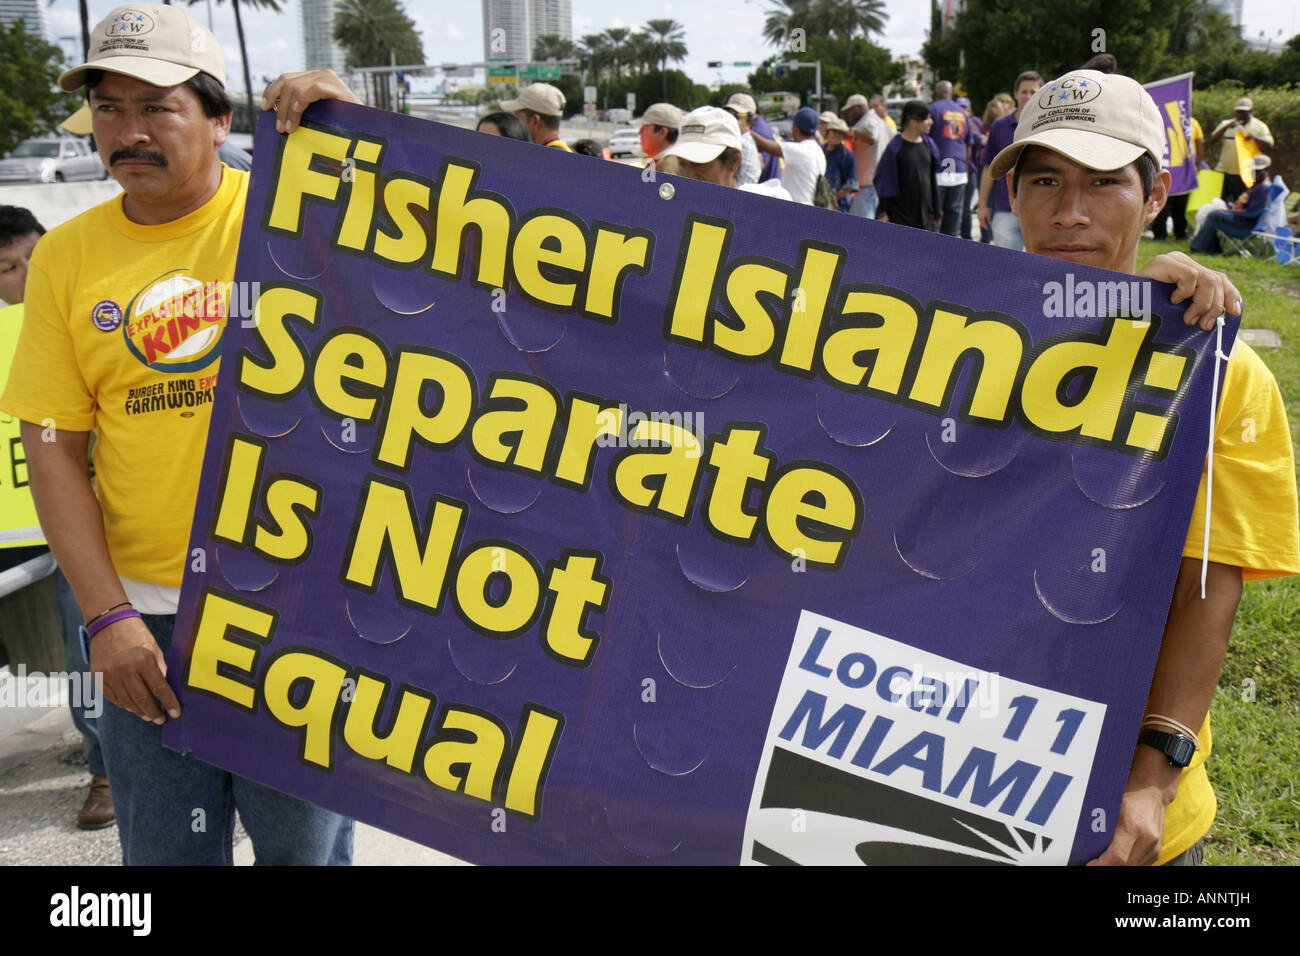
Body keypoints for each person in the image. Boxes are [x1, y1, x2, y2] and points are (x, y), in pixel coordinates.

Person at [0, 3, 359, 865]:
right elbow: (53, 444)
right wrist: (106, 615)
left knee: (305, 855)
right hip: (145, 626)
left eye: (156, 107)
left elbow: (463, 265)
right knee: (163, 860)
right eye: (109, 110)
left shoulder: (303, 217)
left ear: (220, 117)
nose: (128, 133)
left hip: (298, 611)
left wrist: (358, 134)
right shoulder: (68, 256)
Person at [988, 68, 1299, 866]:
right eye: (1046, 181)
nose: (1070, 213)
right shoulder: (944, 341)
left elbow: (1209, 582)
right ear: (1012, 194)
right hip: (944, 762)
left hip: (1120, 805)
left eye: (1104, 183)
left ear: (1156, 194)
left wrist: (1149, 784)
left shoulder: (1219, 372)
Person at [0, 207, 111, 830]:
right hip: (20, 524)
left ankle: (108, 767)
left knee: (90, 629)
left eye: (35, 259)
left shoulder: (88, 308)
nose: (25, 276)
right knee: (84, 642)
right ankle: (107, 763)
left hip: (102, 510)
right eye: (7, 268)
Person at [658, 107, 793, 202]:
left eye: (701, 164)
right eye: (682, 164)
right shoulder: (675, 209)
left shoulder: (765, 205)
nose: (690, 175)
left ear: (734, 160)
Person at [978, 70, 1042, 249]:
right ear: (1015, 94)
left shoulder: (1049, 126)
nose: (1028, 96)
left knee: (1040, 268)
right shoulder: (999, 126)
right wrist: (982, 205)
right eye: (1024, 92)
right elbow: (988, 168)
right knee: (1008, 270)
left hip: (1040, 209)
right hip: (1005, 209)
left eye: (1033, 92)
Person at [1189, 154, 1275, 255]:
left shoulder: (1263, 189)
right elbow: (1242, 204)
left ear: (1267, 170)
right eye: (1253, 170)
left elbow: (1252, 212)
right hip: (1240, 219)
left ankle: (1198, 247)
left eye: (1258, 171)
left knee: (1215, 215)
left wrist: (1227, 211)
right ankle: (1212, 249)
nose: (1254, 173)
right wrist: (1228, 206)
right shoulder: (1256, 186)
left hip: (1246, 225)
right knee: (1212, 212)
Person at [874, 100, 939, 231]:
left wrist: (937, 211)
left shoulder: (929, 145)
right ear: (913, 121)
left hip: (926, 219)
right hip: (900, 219)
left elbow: (932, 180)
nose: (931, 122)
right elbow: (885, 182)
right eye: (927, 118)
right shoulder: (895, 148)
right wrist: (884, 212)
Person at [750, 106, 826, 205]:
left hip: (796, 208)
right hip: (808, 207)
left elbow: (762, 144)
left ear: (796, 128)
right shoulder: (818, 150)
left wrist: (742, 128)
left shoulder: (800, 150)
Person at [929, 81, 974, 237]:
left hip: (938, 171)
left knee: (934, 219)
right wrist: (966, 168)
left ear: (936, 92)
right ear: (950, 93)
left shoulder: (933, 109)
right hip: (959, 171)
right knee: (954, 221)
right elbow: (969, 145)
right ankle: (949, 257)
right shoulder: (962, 113)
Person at [1152, 113, 1205, 241]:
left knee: (1178, 202)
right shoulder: (1164, 120)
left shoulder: (1193, 123)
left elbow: (1200, 142)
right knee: (1165, 201)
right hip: (1168, 167)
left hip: (1182, 170)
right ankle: (1161, 234)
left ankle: (1179, 233)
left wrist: (1198, 164)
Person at [1209, 97, 1273, 202]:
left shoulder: (1259, 126)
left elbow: (1269, 146)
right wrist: (1226, 127)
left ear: (1250, 112)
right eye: (1238, 112)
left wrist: (1254, 137)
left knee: (1242, 203)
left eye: (1243, 112)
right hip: (1223, 172)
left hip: (1246, 174)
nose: (1240, 115)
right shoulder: (1226, 124)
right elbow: (1213, 140)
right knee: (1216, 202)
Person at [844, 93, 893, 219]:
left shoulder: (868, 120)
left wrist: (851, 132)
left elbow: (871, 138)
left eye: (850, 111)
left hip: (867, 186)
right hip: (879, 185)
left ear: (859, 108)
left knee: (860, 230)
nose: (848, 115)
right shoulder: (883, 123)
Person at [501, 83, 572, 151]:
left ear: (535, 121)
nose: (514, 123)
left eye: (518, 118)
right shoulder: (563, 154)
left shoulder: (547, 159)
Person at [723, 92, 761, 186]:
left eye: (736, 116)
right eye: (727, 114)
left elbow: (744, 187)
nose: (730, 119)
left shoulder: (743, 144)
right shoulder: (736, 140)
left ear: (749, 121)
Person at [822, 115, 857, 212]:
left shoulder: (847, 155)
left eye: (840, 132)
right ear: (828, 132)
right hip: (818, 202)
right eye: (834, 131)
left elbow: (850, 184)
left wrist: (834, 198)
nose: (837, 134)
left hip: (839, 206)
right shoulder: (819, 150)